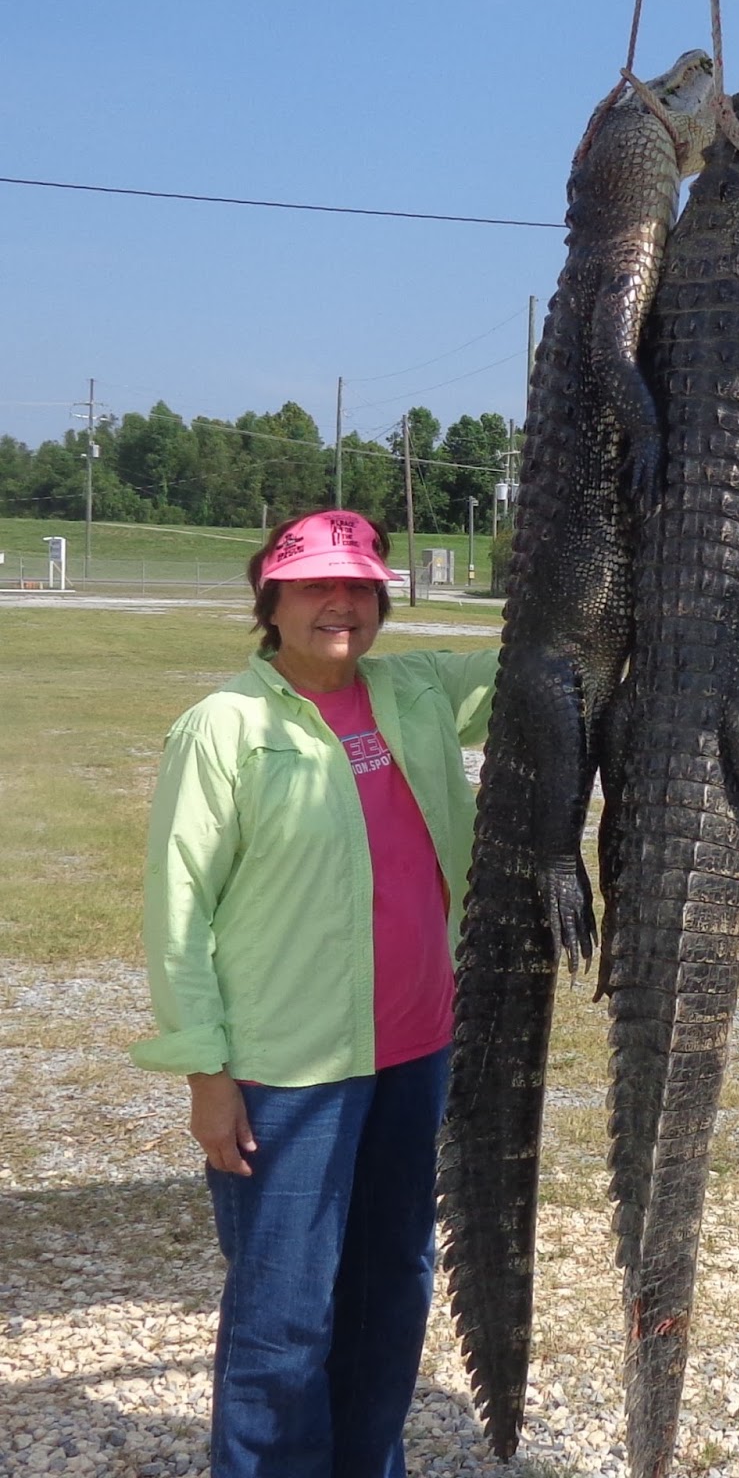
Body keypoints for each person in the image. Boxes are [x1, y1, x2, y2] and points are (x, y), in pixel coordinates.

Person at [131, 509, 497, 1478]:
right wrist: (206, 1070)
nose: (341, 603)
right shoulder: (224, 729)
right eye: (315, 586)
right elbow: (178, 909)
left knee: (391, 1287)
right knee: (284, 1314)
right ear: (272, 599)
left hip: (416, 1054)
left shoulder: (411, 691)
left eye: (360, 587)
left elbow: (542, 666)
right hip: (287, 1073)